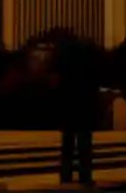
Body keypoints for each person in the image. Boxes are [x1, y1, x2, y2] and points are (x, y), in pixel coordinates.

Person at [52, 40, 101, 185]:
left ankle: (66, 175)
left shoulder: (65, 73)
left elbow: (57, 87)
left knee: (67, 145)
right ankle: (85, 175)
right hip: (84, 110)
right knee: (84, 145)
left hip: (69, 109)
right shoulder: (88, 72)